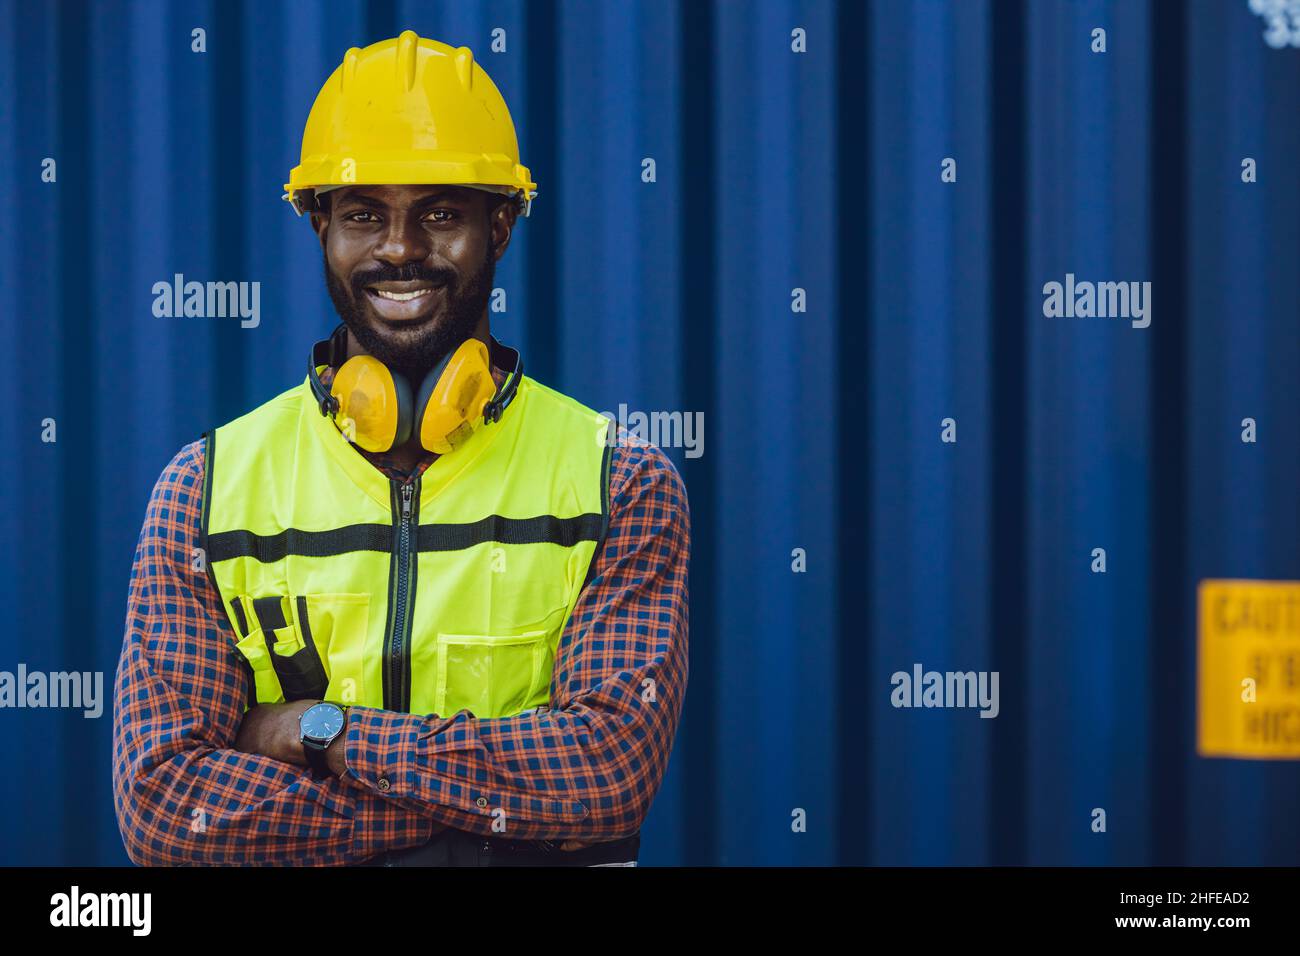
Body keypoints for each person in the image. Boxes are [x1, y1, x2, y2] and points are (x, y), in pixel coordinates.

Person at [111, 31, 689, 867]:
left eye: (441, 212)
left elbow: (604, 775)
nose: (399, 249)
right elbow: (168, 811)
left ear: (502, 225)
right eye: (362, 214)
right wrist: (489, 823)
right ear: (319, 227)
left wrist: (319, 732)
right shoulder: (205, 491)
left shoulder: (618, 482)